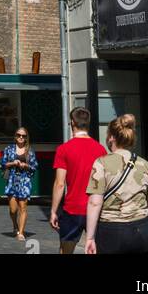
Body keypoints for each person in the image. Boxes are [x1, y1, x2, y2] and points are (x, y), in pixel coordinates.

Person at [86, 113, 148, 256]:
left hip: (112, 232)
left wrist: (90, 237)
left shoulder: (101, 163)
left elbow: (95, 203)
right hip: (143, 230)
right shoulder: (145, 164)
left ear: (112, 137)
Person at [50, 107, 107, 254]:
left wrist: (53, 211)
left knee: (66, 251)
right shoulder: (101, 150)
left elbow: (60, 184)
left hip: (72, 208)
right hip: (95, 208)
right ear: (88, 124)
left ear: (72, 123)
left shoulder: (64, 149)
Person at [1, 126, 38, 240]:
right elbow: (3, 164)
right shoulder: (9, 149)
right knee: (13, 210)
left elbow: (34, 166)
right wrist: (13, 163)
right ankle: (15, 225)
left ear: (26, 138)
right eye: (19, 135)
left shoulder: (30, 151)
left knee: (23, 207)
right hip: (12, 180)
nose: (21, 137)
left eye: (23, 136)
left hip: (24, 181)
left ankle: (21, 232)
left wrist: (26, 165)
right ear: (15, 137)